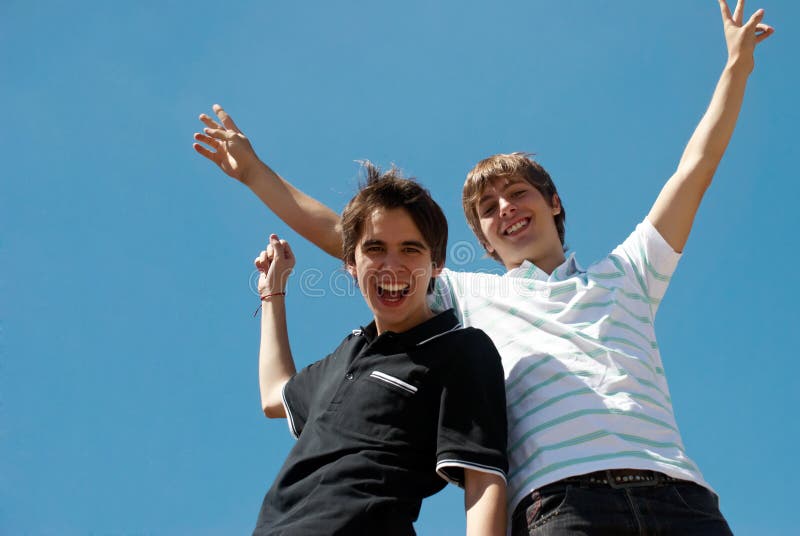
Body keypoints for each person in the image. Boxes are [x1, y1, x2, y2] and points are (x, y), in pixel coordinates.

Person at [193, 2, 773, 533]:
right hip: (562, 510)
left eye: (517, 193)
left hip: (682, 501)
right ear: (484, 242)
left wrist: (735, 68)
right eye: (487, 210)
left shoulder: (631, 272)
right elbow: (355, 238)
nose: (506, 210)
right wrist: (255, 174)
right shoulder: (470, 299)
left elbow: (694, 170)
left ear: (553, 202)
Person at [247, 166, 508, 535]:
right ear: (351, 265)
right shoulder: (349, 353)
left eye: (410, 249)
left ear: (436, 265)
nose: (392, 265)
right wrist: (272, 294)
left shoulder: (460, 349)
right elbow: (275, 396)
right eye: (375, 249)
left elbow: (483, 482)